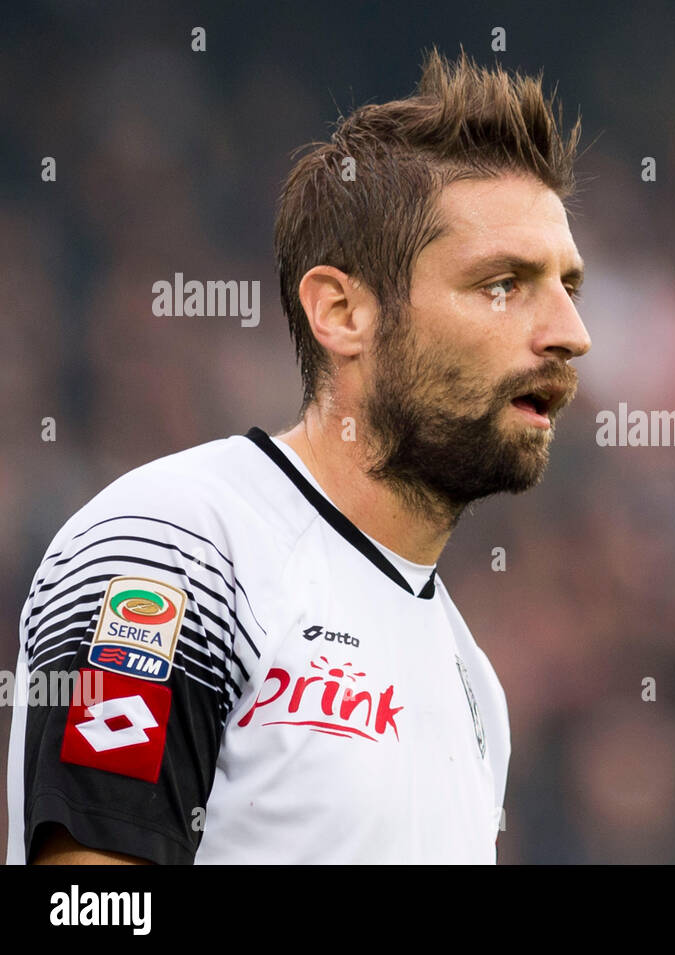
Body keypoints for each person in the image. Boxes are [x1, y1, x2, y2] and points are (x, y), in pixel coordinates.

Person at [6, 46, 590, 864]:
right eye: (503, 283)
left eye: (571, 286)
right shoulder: (173, 550)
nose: (571, 332)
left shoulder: (474, 687)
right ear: (342, 312)